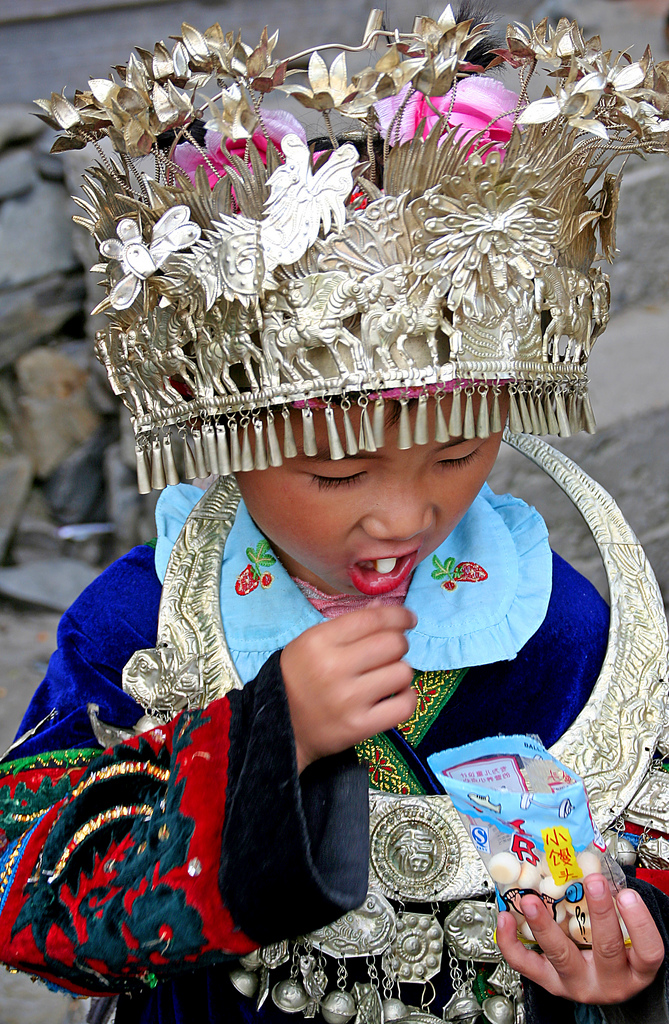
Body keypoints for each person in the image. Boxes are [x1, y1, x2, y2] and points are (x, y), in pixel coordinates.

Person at [1, 5, 669, 1023]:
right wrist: (262, 736)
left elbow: (645, 831)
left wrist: (625, 945)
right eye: (335, 473)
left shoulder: (556, 621)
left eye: (456, 452)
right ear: (228, 425)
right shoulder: (137, 628)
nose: (404, 515)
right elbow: (25, 893)